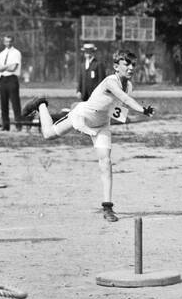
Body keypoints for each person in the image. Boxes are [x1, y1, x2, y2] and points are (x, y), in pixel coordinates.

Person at [21, 50, 154, 223]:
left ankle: (108, 207)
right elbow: (123, 99)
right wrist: (142, 109)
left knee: (105, 162)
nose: (131, 68)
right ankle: (41, 104)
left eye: (133, 65)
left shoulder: (129, 86)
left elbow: (115, 109)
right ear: (116, 67)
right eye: (126, 64)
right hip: (81, 115)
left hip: (101, 125)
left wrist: (133, 118)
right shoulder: (110, 81)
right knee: (48, 134)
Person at [0, 35, 23, 131]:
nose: (8, 43)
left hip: (12, 79)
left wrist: (2, 67)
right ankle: (5, 126)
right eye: (6, 41)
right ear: (4, 42)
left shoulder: (16, 53)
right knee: (3, 104)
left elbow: (13, 68)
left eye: (10, 41)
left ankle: (19, 125)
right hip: (2, 80)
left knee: (15, 103)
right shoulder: (1, 54)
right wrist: (7, 66)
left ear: (12, 42)